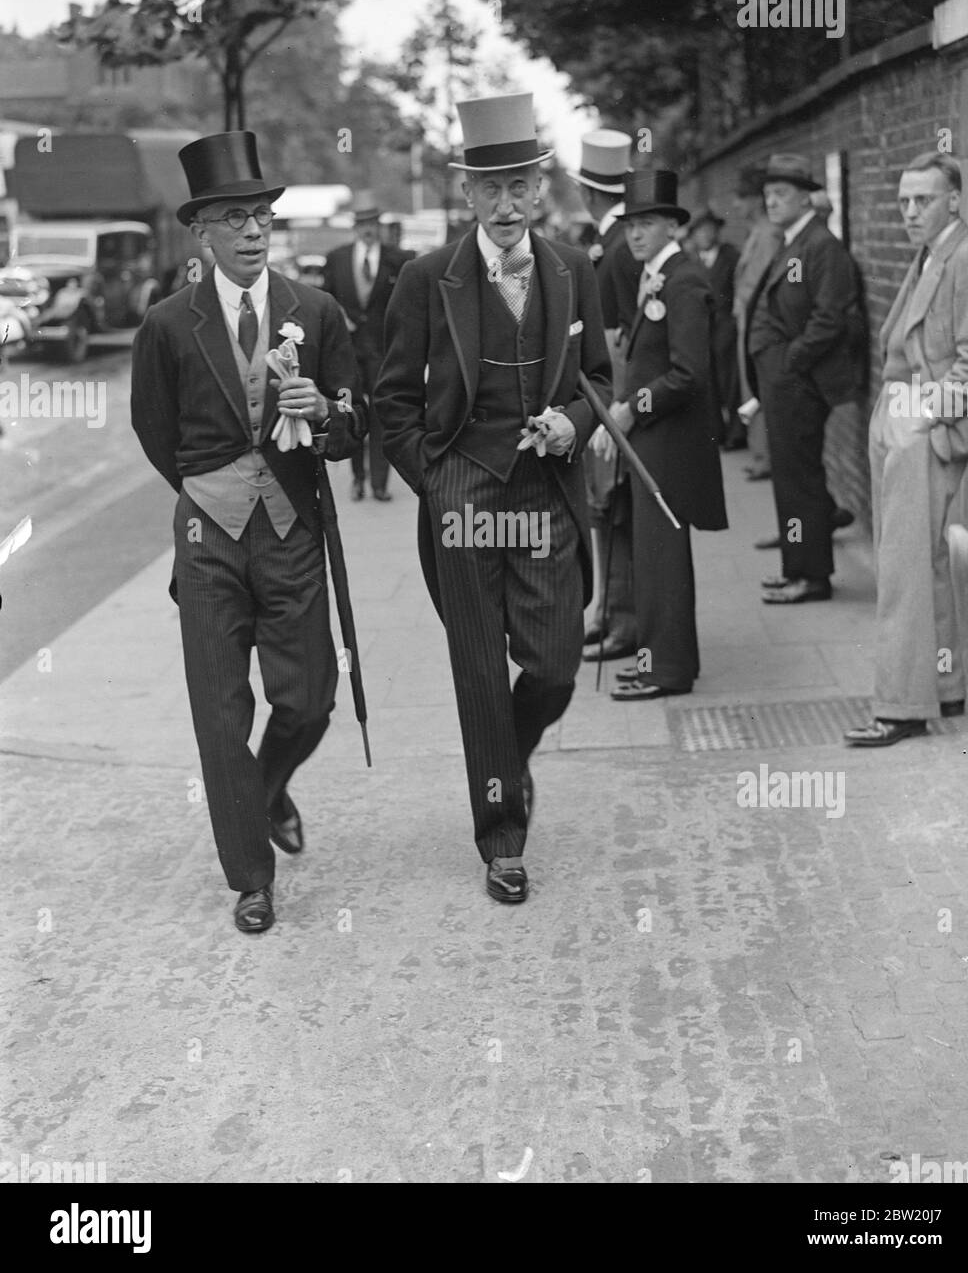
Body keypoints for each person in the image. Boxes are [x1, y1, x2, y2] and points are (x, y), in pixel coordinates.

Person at [375, 92, 612, 905]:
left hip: (544, 494)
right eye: (491, 189)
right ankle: (502, 839)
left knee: (553, 666)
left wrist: (572, 425)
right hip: (465, 500)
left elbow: (602, 381)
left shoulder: (574, 271)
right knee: (480, 674)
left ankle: (506, 763)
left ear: (540, 188)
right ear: (467, 195)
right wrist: (436, 485)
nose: (507, 205)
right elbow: (393, 399)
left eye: (521, 186)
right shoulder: (424, 278)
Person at [131, 131, 367, 934]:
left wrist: (327, 416)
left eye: (262, 214)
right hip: (208, 539)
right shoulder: (168, 324)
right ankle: (251, 878)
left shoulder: (317, 311)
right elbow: (154, 430)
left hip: (293, 529)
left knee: (309, 700)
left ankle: (268, 790)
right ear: (203, 232)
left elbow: (355, 421)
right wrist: (211, 494)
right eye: (234, 218)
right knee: (219, 712)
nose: (254, 231)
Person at [845, 152, 968, 747]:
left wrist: (916, 419)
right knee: (922, 564)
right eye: (904, 201)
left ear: (953, 200)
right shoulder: (930, 254)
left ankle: (902, 707)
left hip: (927, 432)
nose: (909, 211)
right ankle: (946, 687)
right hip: (907, 429)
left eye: (922, 200)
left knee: (904, 571)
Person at [594, 169, 728, 701]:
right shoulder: (658, 274)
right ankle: (658, 662)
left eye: (647, 222)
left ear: (672, 225)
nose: (635, 233)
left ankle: (668, 671)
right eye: (630, 224)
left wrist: (630, 409)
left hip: (669, 442)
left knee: (662, 561)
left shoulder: (684, 279)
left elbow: (689, 372)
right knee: (651, 558)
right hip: (654, 441)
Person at [746, 153, 860, 604]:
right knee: (790, 479)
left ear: (805, 197)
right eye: (768, 194)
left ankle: (812, 578)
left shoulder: (820, 245)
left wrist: (789, 361)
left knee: (801, 481)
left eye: (782, 194)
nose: (772, 202)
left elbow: (830, 317)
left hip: (799, 382)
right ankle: (796, 568)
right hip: (784, 381)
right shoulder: (795, 240)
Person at [571, 128, 640, 662]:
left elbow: (618, 340)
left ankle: (622, 620)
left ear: (587, 193)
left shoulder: (614, 248)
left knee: (612, 508)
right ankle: (610, 613)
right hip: (610, 397)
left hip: (612, 399)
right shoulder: (614, 243)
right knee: (606, 509)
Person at [322, 190, 413, 502]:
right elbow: (326, 301)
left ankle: (379, 483)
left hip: (384, 354)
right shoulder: (336, 259)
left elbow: (406, 307)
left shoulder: (399, 260)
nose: (368, 228)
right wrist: (340, 318)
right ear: (354, 226)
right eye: (362, 223)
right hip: (347, 354)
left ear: (379, 224)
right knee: (351, 415)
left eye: (372, 222)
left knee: (381, 418)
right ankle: (357, 478)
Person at [732, 164, 780, 481]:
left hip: (753, 321)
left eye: (741, 198)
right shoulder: (758, 233)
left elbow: (760, 281)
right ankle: (759, 453)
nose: (736, 205)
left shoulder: (768, 234)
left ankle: (765, 457)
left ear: (753, 201)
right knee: (749, 387)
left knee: (755, 386)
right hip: (744, 319)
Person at [689, 206, 742, 449]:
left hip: (725, 328)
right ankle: (717, 433)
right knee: (709, 384)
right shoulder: (693, 261)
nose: (707, 236)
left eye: (710, 230)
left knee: (730, 383)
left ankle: (735, 434)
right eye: (701, 232)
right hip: (703, 331)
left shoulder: (730, 256)